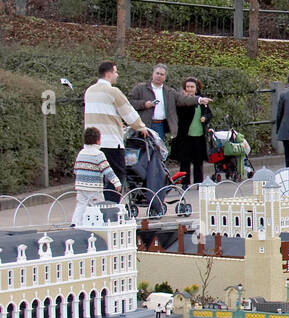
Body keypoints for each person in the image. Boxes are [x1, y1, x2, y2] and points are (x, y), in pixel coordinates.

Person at [84, 60, 160, 200]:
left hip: (91, 145)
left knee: (96, 178)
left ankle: (95, 208)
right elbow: (128, 113)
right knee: (115, 177)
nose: (117, 75)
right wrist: (141, 127)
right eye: (115, 71)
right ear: (108, 74)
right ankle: (111, 208)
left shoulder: (89, 91)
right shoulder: (113, 92)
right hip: (111, 142)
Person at [128, 63, 208, 143]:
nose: (159, 76)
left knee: (158, 152)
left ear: (165, 77)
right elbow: (129, 103)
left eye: (162, 74)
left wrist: (199, 100)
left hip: (159, 125)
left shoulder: (169, 91)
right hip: (143, 125)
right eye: (157, 73)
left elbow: (182, 99)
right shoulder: (140, 88)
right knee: (142, 151)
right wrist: (144, 104)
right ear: (153, 74)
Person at [72, 127, 123, 226]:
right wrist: (116, 182)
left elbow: (76, 169)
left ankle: (75, 223)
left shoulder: (81, 153)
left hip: (80, 186)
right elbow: (107, 170)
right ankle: (101, 224)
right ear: (98, 140)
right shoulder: (98, 154)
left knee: (81, 205)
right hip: (94, 187)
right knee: (99, 205)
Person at [171, 77, 213, 186]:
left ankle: (199, 183)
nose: (190, 89)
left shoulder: (202, 100)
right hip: (186, 135)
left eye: (192, 87)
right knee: (185, 161)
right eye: (188, 87)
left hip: (199, 135)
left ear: (196, 88)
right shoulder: (181, 100)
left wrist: (205, 117)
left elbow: (209, 113)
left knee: (198, 161)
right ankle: (185, 183)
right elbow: (179, 115)